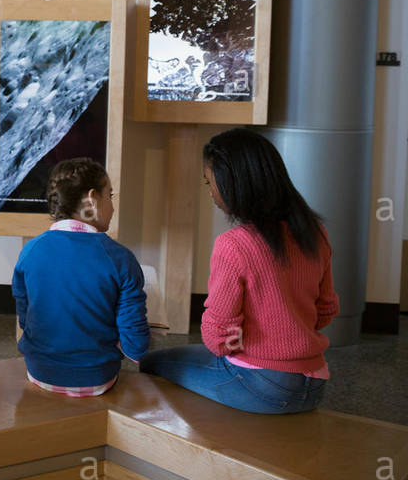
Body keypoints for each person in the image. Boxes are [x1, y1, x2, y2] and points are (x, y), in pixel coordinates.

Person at [140, 128, 337, 414]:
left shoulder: (234, 245)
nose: (210, 193)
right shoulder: (315, 232)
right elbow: (326, 311)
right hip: (314, 384)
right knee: (182, 357)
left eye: (210, 183)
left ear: (234, 182)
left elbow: (218, 339)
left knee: (151, 362)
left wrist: (244, 342)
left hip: (259, 387)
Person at [11, 158, 150, 396]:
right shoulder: (120, 258)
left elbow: (25, 316)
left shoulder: (31, 250)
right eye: (110, 196)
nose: (113, 207)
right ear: (92, 199)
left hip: (39, 372)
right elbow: (136, 346)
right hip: (97, 378)